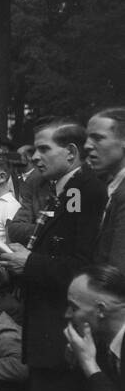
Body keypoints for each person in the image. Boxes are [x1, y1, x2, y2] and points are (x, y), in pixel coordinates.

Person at [0, 118, 107, 391]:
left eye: (44, 149)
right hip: (45, 325)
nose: (36, 157)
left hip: (59, 328)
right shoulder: (69, 190)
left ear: (71, 153)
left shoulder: (83, 190)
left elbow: (79, 265)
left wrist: (31, 264)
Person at [86, 108, 125, 270]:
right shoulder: (112, 186)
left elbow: (118, 271)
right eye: (87, 138)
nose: (87, 146)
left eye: (98, 138)